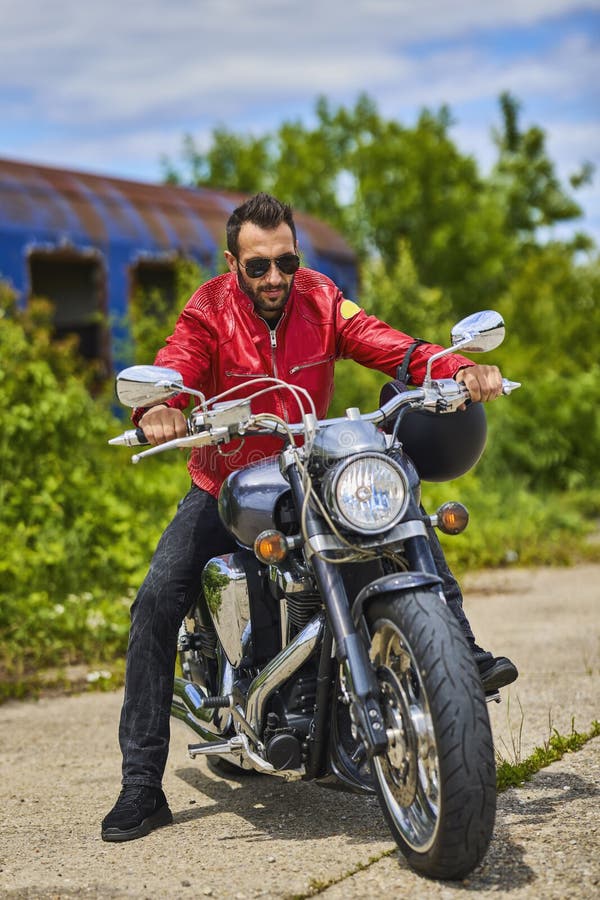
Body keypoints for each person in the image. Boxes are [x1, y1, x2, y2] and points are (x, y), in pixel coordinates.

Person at [101, 193, 517, 843]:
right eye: (258, 266)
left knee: (398, 503)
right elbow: (177, 364)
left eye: (286, 262)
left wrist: (458, 369)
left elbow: (392, 347)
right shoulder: (209, 309)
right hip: (228, 481)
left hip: (308, 471)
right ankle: (140, 785)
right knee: (156, 601)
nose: (274, 278)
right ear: (234, 263)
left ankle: (455, 655)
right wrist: (160, 405)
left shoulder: (321, 298)